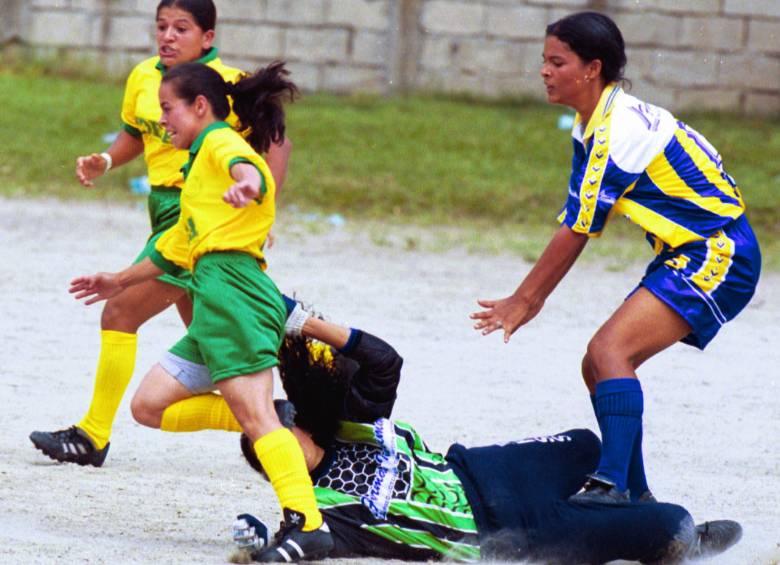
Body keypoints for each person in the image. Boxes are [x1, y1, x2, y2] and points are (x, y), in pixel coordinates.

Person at [469, 12, 761, 504]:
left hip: (718, 252)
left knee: (610, 352)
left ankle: (611, 486)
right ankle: (638, 501)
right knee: (597, 365)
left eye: (557, 62)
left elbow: (578, 229)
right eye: (543, 60)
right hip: (695, 251)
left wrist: (525, 301)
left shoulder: (614, 130)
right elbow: (577, 217)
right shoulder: (594, 124)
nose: (544, 71)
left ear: (592, 69)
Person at [66, 60, 333, 562]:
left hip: (234, 293)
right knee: (149, 407)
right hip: (214, 299)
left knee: (255, 418)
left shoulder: (216, 142)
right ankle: (281, 422)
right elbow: (174, 246)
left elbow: (246, 166)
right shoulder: (195, 166)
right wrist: (117, 280)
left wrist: (249, 186)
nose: (161, 120)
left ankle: (307, 521)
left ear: (200, 107)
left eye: (168, 109)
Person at [29, 0, 291, 467]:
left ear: (207, 37)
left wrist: (258, 205)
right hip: (168, 209)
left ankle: (93, 434)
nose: (168, 36)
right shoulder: (144, 78)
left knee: (120, 312)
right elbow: (137, 133)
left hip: (199, 218)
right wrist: (106, 160)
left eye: (181, 28)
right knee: (216, 342)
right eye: (162, 27)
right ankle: (283, 417)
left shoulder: (225, 86)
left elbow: (273, 143)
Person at [234, 328, 743, 563]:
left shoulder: (352, 425)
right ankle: (663, 532)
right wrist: (259, 545)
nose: (278, 444)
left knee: (590, 445)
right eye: (267, 452)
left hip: (491, 471)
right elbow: (301, 545)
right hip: (507, 533)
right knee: (671, 528)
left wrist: (299, 320)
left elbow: (385, 362)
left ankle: (625, 500)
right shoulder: (318, 510)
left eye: (278, 432)